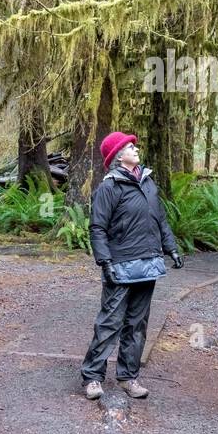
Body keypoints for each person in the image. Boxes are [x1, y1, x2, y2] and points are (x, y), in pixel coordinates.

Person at [81, 132, 183, 400]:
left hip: (148, 263)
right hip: (120, 264)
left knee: (137, 324)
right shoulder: (109, 188)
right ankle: (92, 377)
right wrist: (105, 261)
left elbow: (160, 219)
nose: (134, 149)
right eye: (128, 147)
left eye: (133, 145)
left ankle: (128, 377)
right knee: (110, 323)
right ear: (117, 156)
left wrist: (171, 247)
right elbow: (97, 227)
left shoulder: (147, 183)